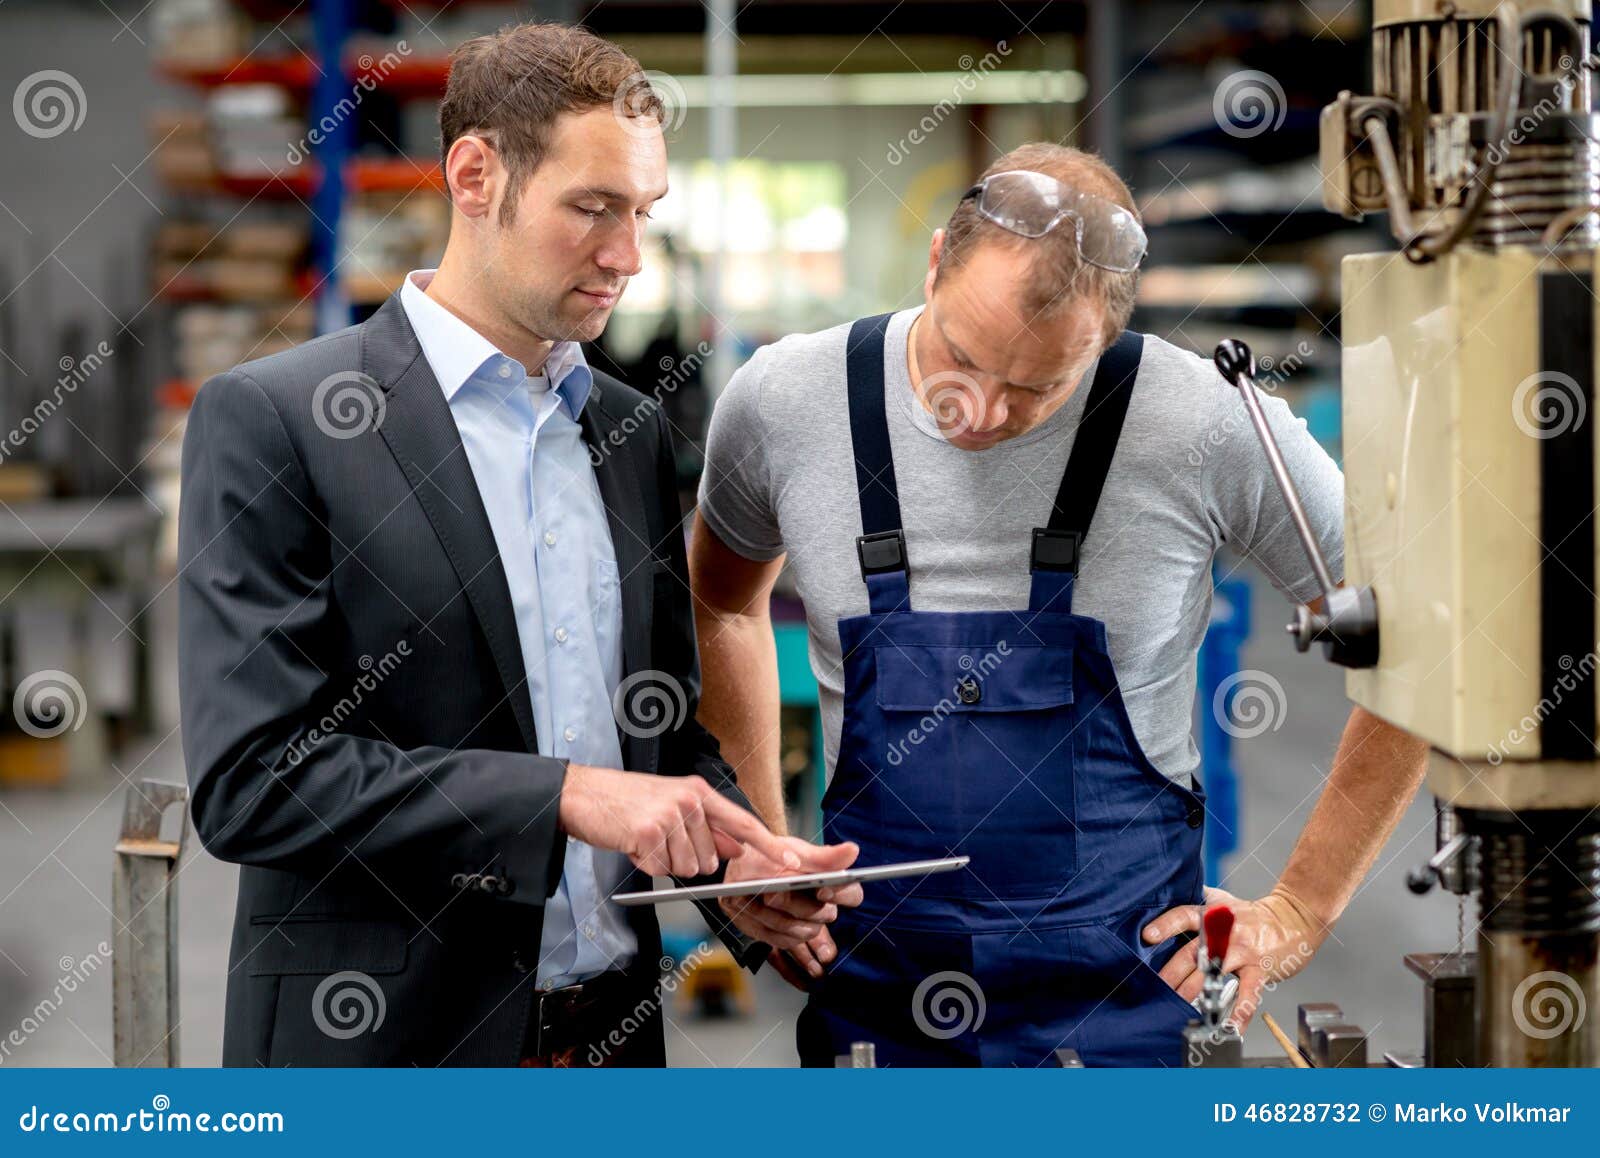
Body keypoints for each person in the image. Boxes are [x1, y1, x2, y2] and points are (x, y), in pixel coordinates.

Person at [177, 20, 857, 1068]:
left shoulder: (626, 432)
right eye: (593, 209)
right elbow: (254, 779)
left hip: (606, 1045)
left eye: (642, 213)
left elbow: (659, 737)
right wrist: (569, 797)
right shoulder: (283, 422)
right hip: (384, 1052)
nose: (627, 256)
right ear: (476, 174)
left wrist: (738, 869)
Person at [691, 142, 1430, 1067]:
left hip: (1127, 1016)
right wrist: (760, 843)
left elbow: (1410, 639)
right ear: (934, 262)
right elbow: (720, 605)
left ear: (1109, 334)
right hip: (876, 1009)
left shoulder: (1202, 424)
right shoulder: (786, 403)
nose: (984, 411)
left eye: (1038, 387)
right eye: (963, 356)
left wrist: (1300, 908)